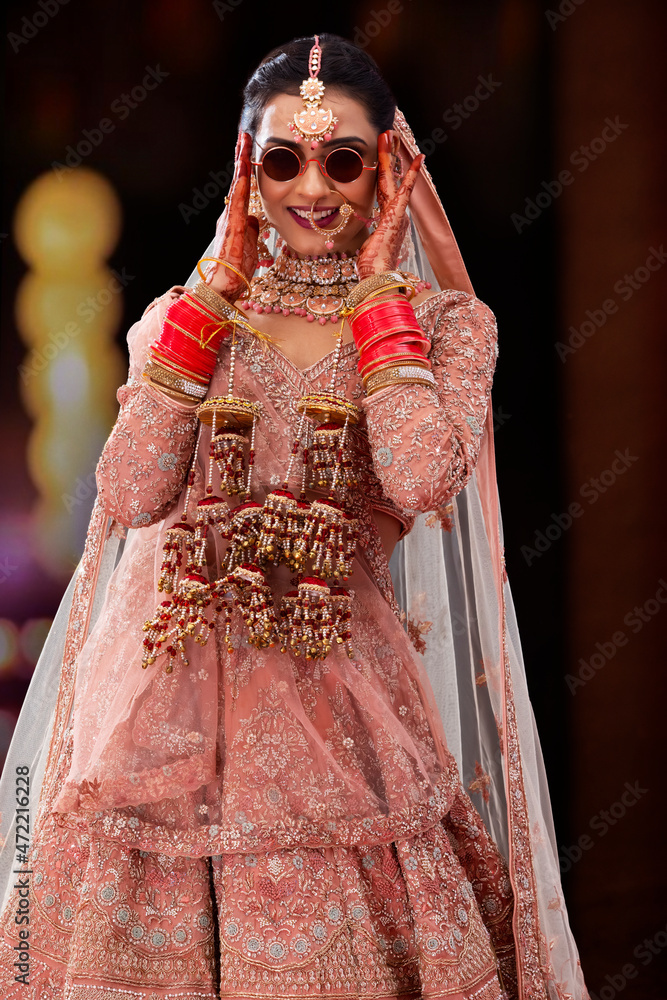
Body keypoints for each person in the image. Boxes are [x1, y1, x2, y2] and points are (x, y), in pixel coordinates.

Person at [0, 34, 589, 1000]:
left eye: (343, 161)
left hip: (339, 721)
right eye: (282, 161)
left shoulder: (443, 327)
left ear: (387, 170)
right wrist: (210, 303)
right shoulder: (184, 319)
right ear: (247, 169)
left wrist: (379, 307)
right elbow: (134, 494)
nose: (312, 188)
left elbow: (420, 477)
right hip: (162, 732)